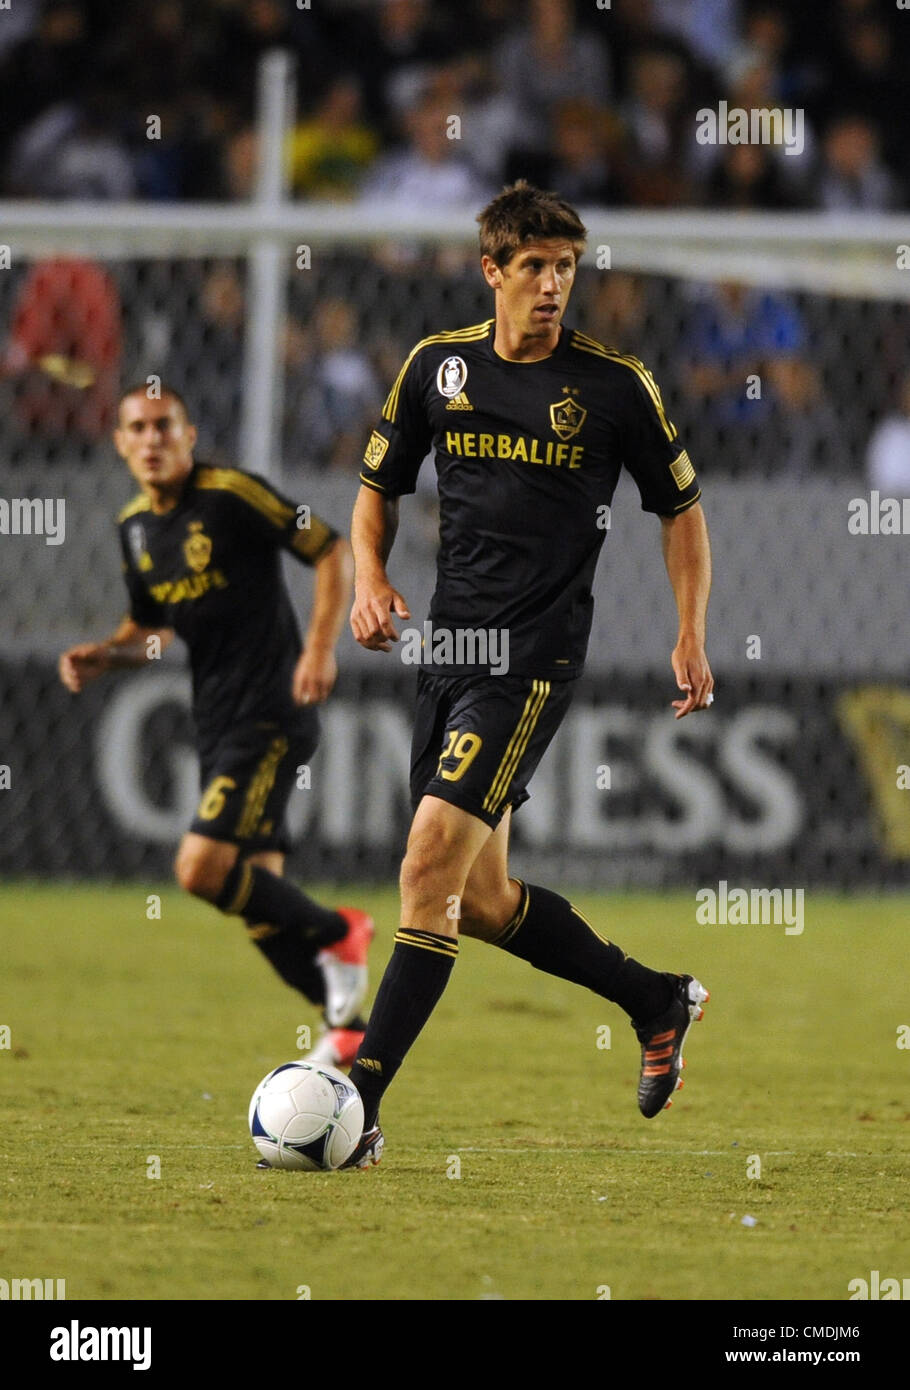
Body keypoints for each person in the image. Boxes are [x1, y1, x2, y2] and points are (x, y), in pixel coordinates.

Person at [345, 182, 713, 1168]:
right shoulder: (437, 367)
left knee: (425, 867)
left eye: (567, 268)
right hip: (447, 653)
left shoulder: (613, 385)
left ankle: (356, 1104)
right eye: (536, 268)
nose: (553, 286)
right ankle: (654, 998)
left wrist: (689, 631)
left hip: (531, 661)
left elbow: (681, 510)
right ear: (492, 271)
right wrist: (369, 578)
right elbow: (375, 488)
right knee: (483, 899)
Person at [59, 383, 373, 1069]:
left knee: (200, 869)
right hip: (216, 720)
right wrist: (108, 655)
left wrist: (320, 648)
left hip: (272, 708)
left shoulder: (231, 494)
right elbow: (153, 635)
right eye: (136, 428)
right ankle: (348, 1027)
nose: (151, 440)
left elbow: (330, 549)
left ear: (190, 433)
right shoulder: (134, 528)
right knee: (261, 904)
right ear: (119, 443)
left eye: (163, 426)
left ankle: (341, 930)